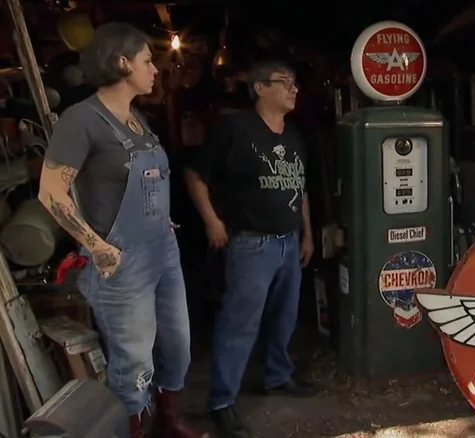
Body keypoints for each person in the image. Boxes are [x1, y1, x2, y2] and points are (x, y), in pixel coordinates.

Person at [38, 22, 206, 438]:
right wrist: (96, 247)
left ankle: (167, 421)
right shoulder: (82, 120)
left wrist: (159, 217)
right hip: (122, 260)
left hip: (162, 250)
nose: (155, 70)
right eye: (148, 61)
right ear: (122, 63)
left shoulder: (136, 119)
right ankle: (131, 431)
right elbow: (51, 192)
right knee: (133, 362)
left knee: (178, 345)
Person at [185, 59, 316, 438]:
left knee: (285, 319)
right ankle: (221, 402)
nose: (294, 89)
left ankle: (278, 376)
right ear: (259, 88)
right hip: (252, 244)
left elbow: (300, 188)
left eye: (295, 83)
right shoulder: (235, 128)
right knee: (239, 325)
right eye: (284, 82)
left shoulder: (294, 137)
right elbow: (195, 174)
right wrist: (212, 221)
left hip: (289, 243)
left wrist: (306, 234)